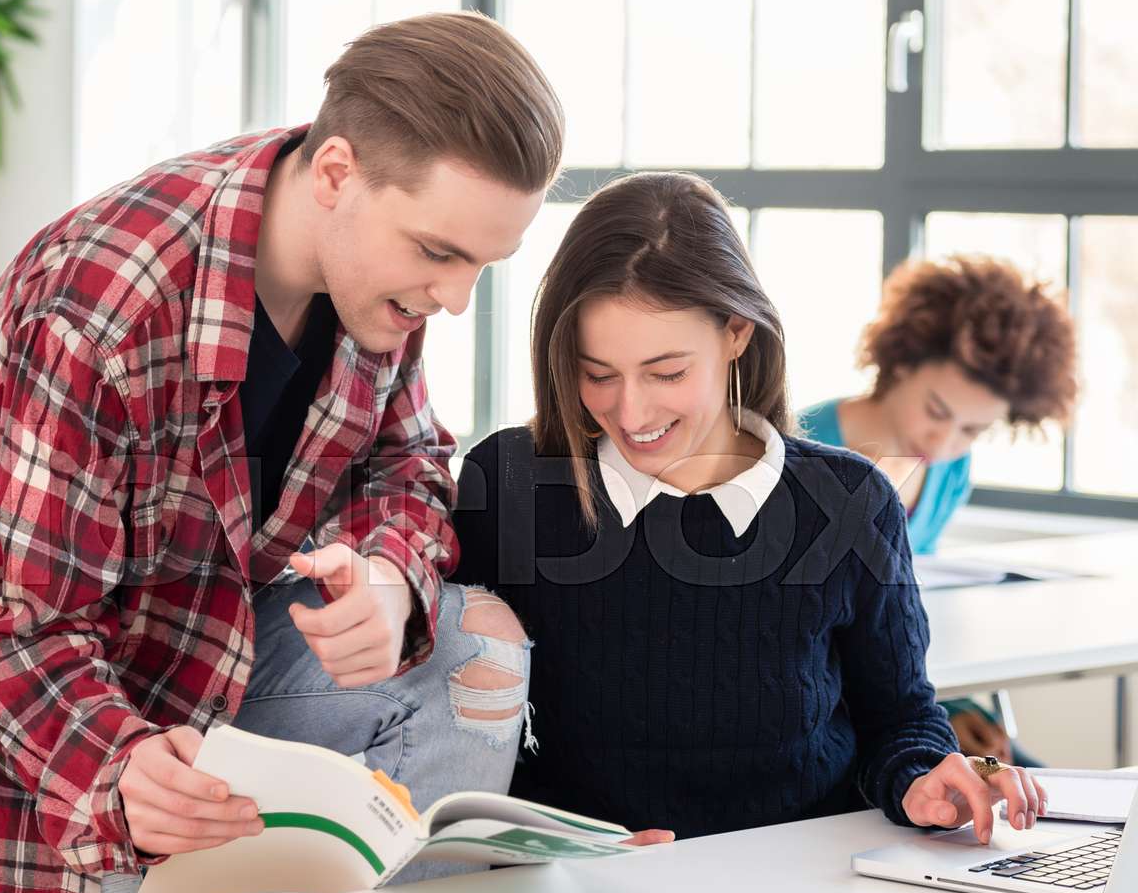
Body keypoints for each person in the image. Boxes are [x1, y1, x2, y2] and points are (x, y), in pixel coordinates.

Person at [0, 13, 560, 893]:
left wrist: (390, 578)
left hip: (191, 655)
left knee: (473, 648)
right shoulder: (101, 308)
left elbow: (405, 462)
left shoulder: (374, 273)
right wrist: (117, 765)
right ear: (336, 173)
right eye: (440, 253)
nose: (454, 297)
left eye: (484, 263)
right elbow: (22, 635)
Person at [451, 171, 1046, 850]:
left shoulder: (850, 501)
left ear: (737, 332)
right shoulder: (511, 481)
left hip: (798, 881)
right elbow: (455, 719)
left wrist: (923, 779)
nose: (631, 411)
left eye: (667, 372)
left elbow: (901, 719)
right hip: (575, 888)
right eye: (598, 373)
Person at [797, 256, 1078, 763]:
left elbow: (901, 627)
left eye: (971, 430)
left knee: (1035, 780)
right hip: (828, 714)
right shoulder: (801, 451)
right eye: (936, 411)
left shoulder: (950, 473)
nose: (943, 441)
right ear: (902, 363)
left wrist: (955, 707)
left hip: (905, 702)